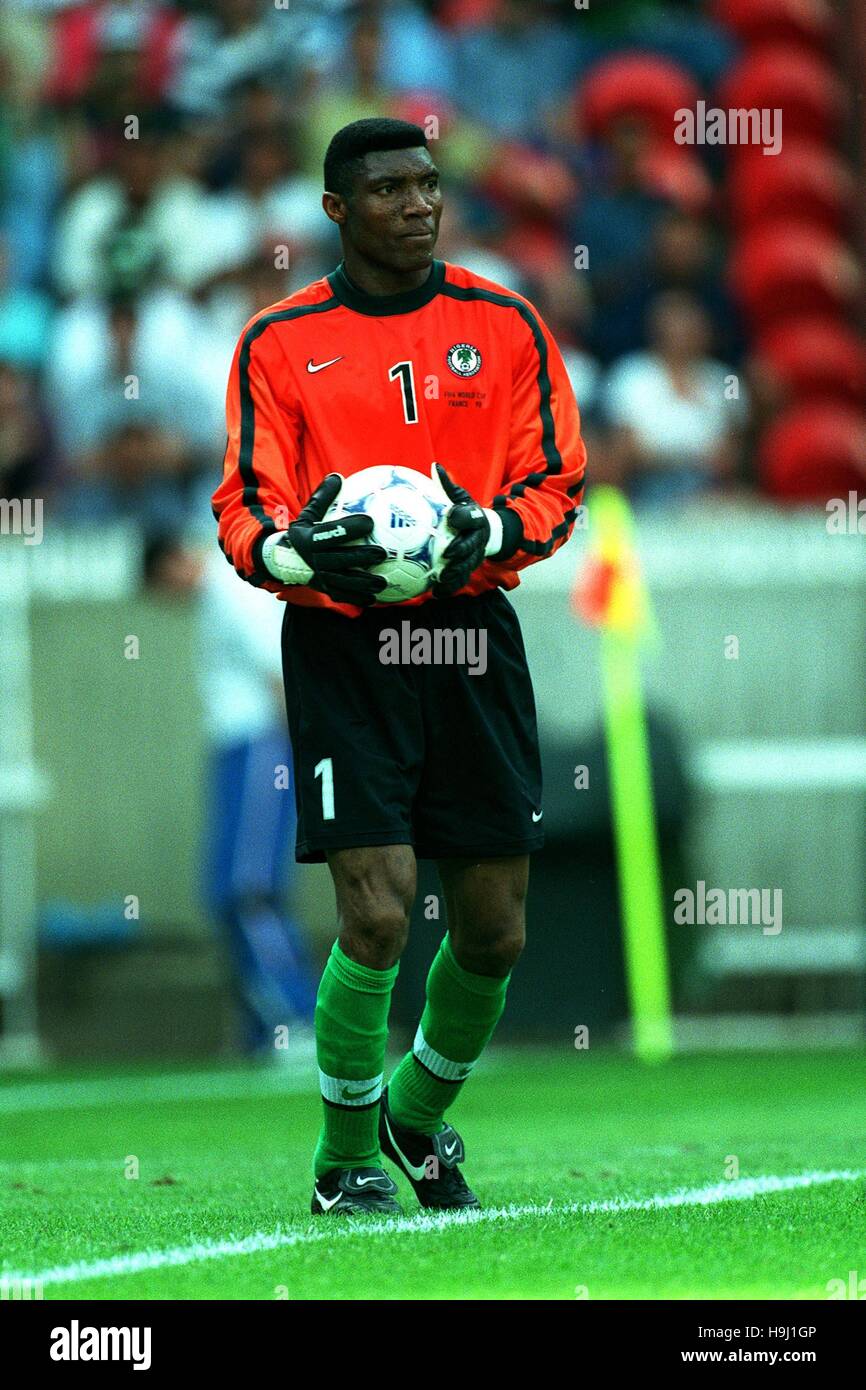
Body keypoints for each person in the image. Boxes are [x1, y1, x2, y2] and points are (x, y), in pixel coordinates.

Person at [212, 117, 587, 1217]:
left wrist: (488, 534)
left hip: (470, 634)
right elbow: (246, 503)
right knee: (376, 914)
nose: (418, 204)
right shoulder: (278, 342)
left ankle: (414, 1121)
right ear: (337, 210)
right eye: (388, 190)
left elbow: (556, 478)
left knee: (493, 928)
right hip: (343, 645)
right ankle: (341, 1162)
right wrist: (285, 551)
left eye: (427, 185)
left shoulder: (502, 321)